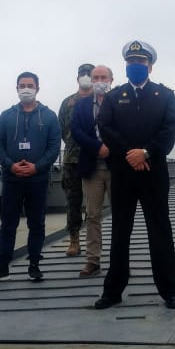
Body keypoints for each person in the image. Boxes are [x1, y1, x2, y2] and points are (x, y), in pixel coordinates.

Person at [93, 40, 175, 310]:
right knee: (120, 230)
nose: (135, 66)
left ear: (150, 66)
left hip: (153, 171)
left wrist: (145, 153)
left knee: (160, 230)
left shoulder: (165, 96)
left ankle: (170, 290)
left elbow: (169, 130)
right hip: (123, 172)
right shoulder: (113, 96)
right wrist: (130, 154)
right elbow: (105, 126)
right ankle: (112, 291)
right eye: (131, 62)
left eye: (141, 62)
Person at [0, 72, 61, 283]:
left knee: (36, 224)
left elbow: (54, 147)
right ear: (16, 88)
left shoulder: (48, 116)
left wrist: (37, 167)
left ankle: (34, 264)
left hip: (37, 180)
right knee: (8, 223)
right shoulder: (7, 116)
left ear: (38, 88)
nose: (26, 88)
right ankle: (2, 266)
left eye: (30, 85)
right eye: (22, 85)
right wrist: (11, 165)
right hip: (12, 180)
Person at [70, 65, 115, 277]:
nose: (98, 80)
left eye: (103, 77)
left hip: (117, 167)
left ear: (111, 79)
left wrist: (110, 147)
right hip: (92, 168)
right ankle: (93, 260)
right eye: (95, 77)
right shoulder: (81, 105)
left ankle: (119, 260)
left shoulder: (120, 101)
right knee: (93, 215)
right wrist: (97, 147)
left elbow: (129, 128)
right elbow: (76, 131)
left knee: (121, 216)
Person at [58, 63, 95, 257]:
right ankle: (74, 240)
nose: (86, 77)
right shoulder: (67, 103)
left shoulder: (101, 99)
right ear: (77, 77)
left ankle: (92, 241)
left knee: (93, 204)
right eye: (83, 74)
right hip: (72, 159)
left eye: (90, 74)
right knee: (73, 203)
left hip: (95, 159)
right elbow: (62, 130)